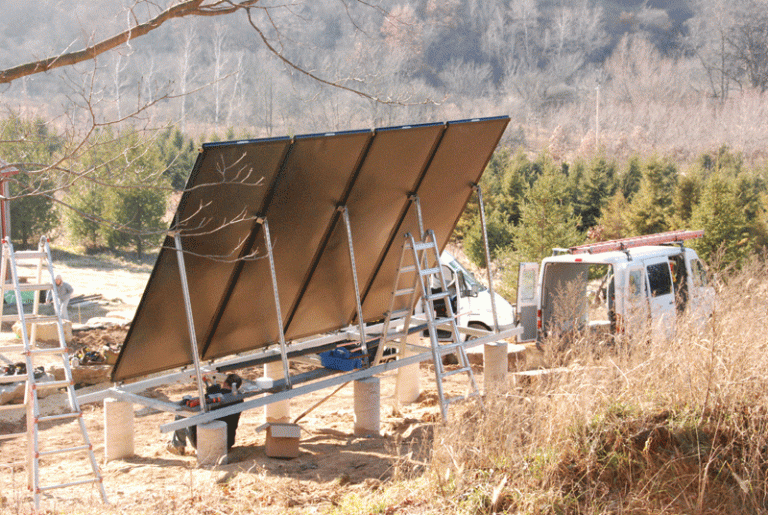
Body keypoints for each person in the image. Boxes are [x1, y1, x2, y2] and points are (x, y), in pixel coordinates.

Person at [167, 373, 243, 456]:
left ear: (225, 383)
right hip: (227, 442)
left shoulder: (213, 398)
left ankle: (177, 447)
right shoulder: (239, 399)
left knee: (181, 415)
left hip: (203, 443)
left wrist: (210, 393)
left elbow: (197, 406)